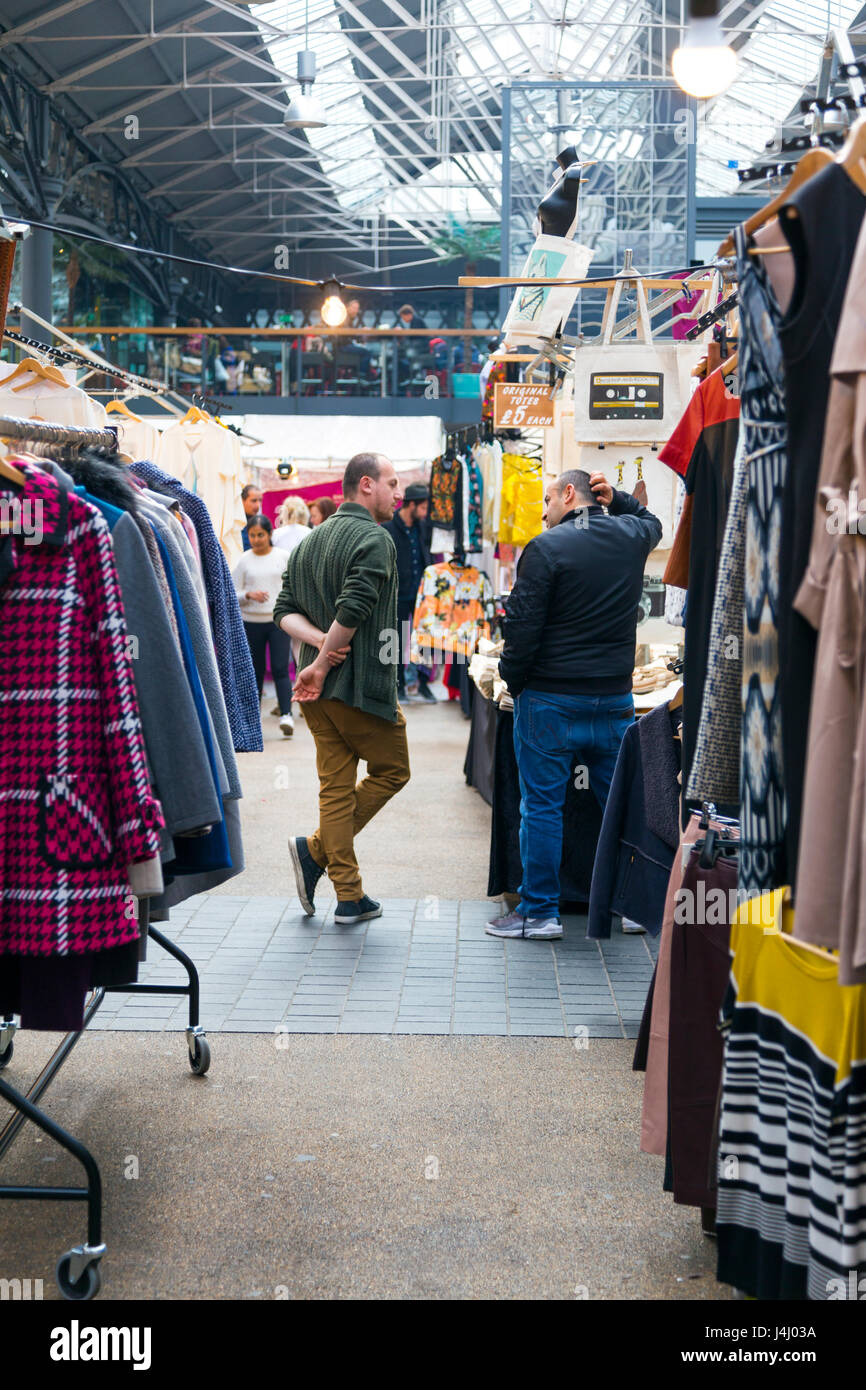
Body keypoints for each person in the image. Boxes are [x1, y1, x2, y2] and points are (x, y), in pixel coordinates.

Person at [486, 468, 662, 942]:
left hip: (550, 698)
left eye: (547, 499)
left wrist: (514, 681)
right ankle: (632, 905)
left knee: (542, 806)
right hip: (614, 699)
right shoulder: (631, 535)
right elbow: (654, 522)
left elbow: (520, 628)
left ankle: (539, 912)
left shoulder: (546, 548)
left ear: (569, 494)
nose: (543, 511)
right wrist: (618, 497)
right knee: (619, 805)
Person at [275, 452, 410, 925]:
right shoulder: (375, 538)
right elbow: (354, 608)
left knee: (335, 788)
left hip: (316, 695)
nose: (400, 493)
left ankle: (349, 895)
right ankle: (315, 851)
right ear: (367, 484)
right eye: (394, 484)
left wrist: (315, 658)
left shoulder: (310, 541)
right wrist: (326, 658)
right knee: (394, 771)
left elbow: (284, 610)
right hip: (362, 689)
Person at [232, 514, 296, 738]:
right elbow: (233, 593)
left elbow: (292, 586)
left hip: (278, 621)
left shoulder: (283, 557)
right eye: (252, 535)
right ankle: (252, 720)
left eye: (261, 535)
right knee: (255, 672)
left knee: (280, 668)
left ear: (270, 534)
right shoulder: (244, 560)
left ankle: (286, 714)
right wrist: (249, 594)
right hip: (251, 623)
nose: (257, 539)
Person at [383, 482, 433, 701]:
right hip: (398, 594)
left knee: (425, 639)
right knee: (396, 641)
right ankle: (398, 686)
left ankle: (423, 684)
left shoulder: (423, 527)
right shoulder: (388, 528)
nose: (425, 513)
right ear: (411, 504)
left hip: (421, 594)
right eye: (422, 508)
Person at [240, 483, 263, 551]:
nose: (258, 505)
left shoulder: (260, 522)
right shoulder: (236, 524)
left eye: (260, 500)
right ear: (242, 501)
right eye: (254, 501)